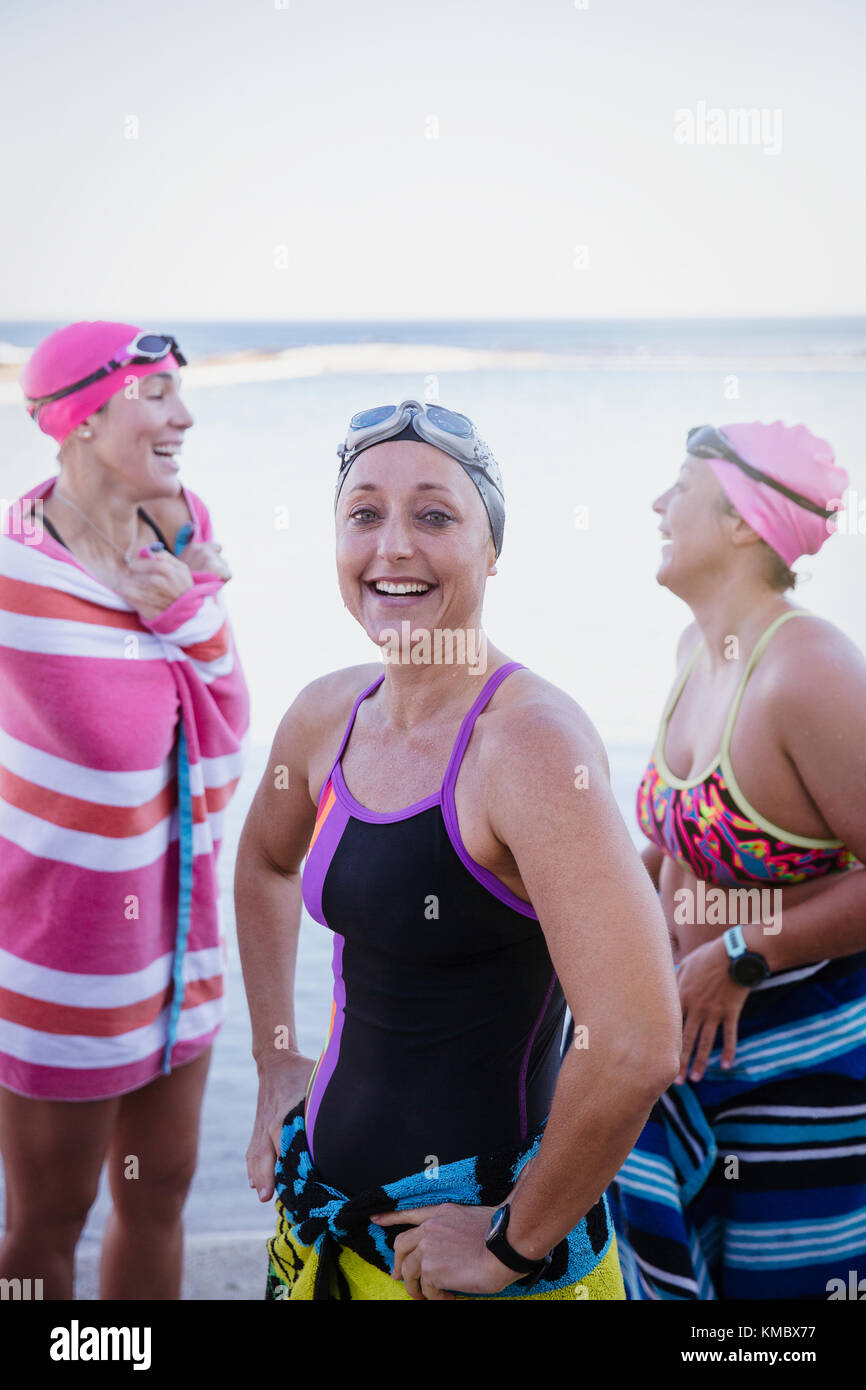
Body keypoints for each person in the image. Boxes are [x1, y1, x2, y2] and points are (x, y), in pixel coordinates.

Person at [236, 399, 681, 1301]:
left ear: (492, 545)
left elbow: (635, 1041)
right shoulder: (330, 713)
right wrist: (275, 1056)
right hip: (325, 1226)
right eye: (364, 514)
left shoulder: (530, 747)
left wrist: (507, 1246)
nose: (393, 547)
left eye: (435, 515)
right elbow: (264, 865)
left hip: (473, 1261)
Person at [0, 321, 250, 1299]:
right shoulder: (16, 579)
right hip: (63, 957)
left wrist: (181, 606)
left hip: (183, 949)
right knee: (45, 1225)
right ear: (82, 418)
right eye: (156, 394)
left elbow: (225, 737)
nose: (182, 415)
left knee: (161, 1200)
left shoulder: (182, 531)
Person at [610, 420, 866, 1300]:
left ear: (744, 525)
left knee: (779, 1313)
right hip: (695, 1046)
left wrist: (741, 955)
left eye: (680, 487)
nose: (657, 504)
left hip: (803, 1059)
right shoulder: (696, 651)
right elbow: (680, 837)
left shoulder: (810, 671)